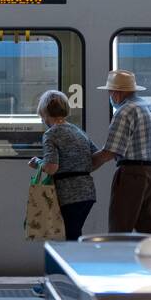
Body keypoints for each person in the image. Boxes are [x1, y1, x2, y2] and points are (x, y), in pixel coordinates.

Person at [90, 70, 151, 234]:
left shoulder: (125, 111)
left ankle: (121, 259)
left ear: (116, 93)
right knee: (148, 228)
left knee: (120, 228)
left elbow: (110, 152)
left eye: (109, 92)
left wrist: (84, 166)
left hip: (134, 174)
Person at [28, 90, 98, 241]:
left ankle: (74, 264)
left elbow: (51, 167)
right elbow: (95, 156)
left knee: (70, 236)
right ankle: (76, 262)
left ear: (45, 113)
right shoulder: (78, 131)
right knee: (74, 233)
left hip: (68, 194)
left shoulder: (51, 134)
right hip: (87, 192)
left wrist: (38, 163)